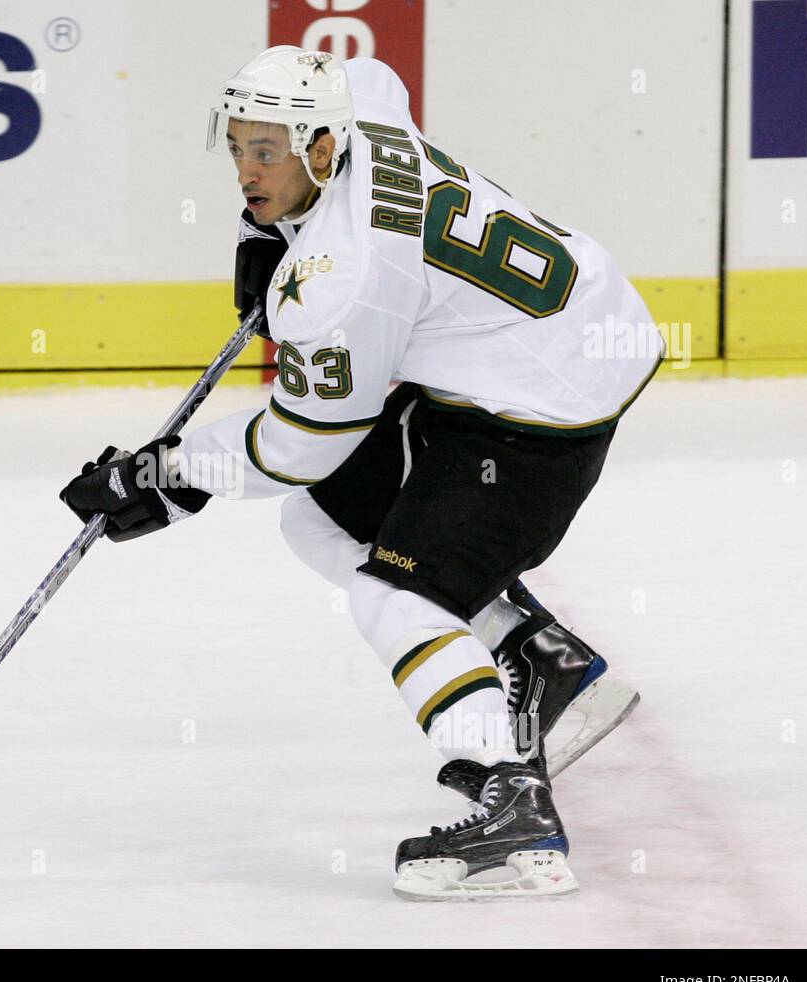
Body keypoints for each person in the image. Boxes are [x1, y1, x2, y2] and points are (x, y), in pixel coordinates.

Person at [61, 47, 658, 900]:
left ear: (321, 150)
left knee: (395, 594)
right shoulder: (364, 113)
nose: (245, 170)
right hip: (559, 335)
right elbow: (376, 77)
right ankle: (539, 655)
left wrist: (170, 475)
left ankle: (510, 803)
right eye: (237, 147)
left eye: (268, 152)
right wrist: (264, 235)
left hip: (541, 415)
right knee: (322, 521)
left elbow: (306, 443)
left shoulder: (341, 281)